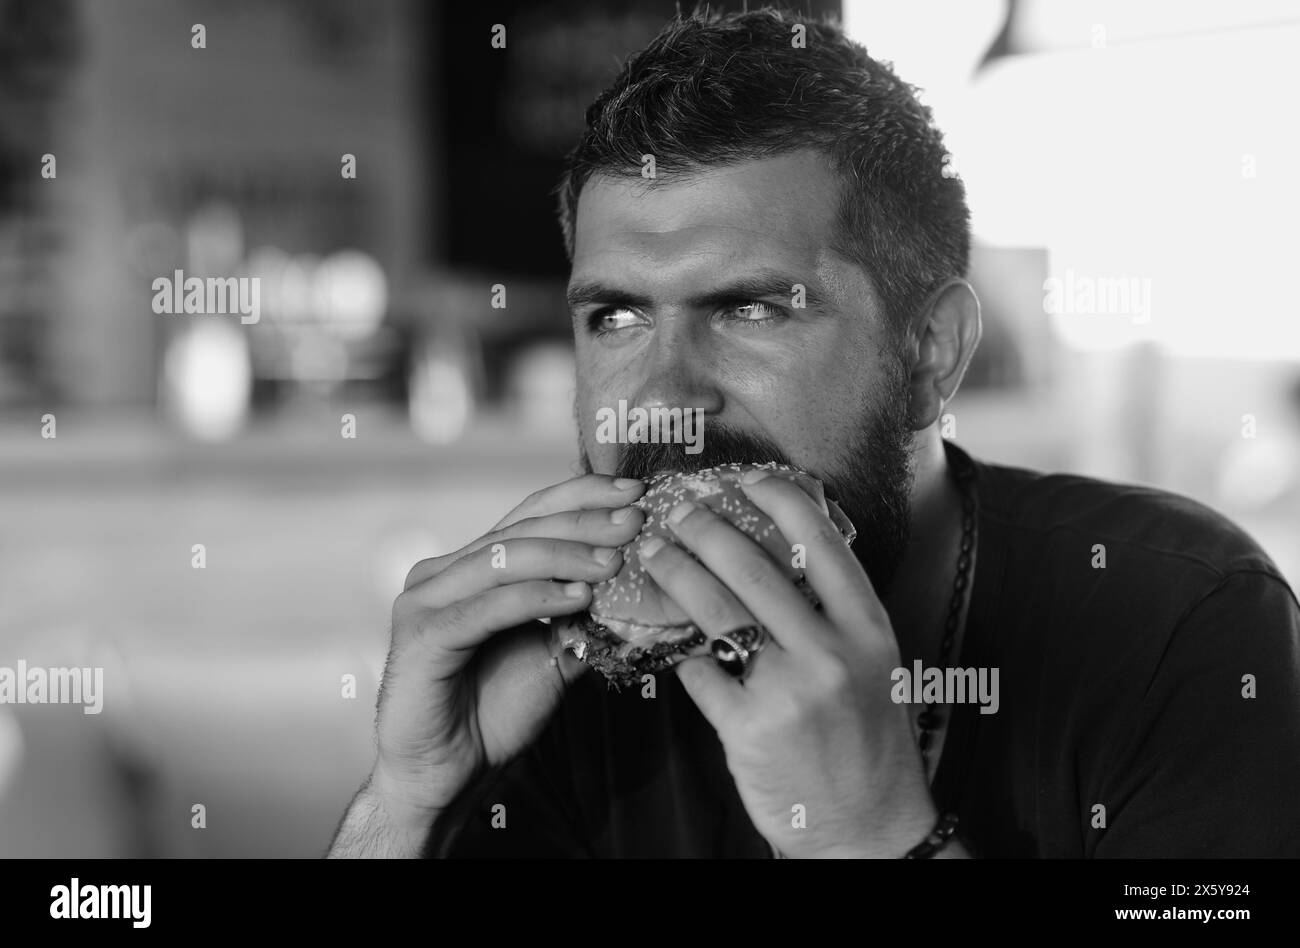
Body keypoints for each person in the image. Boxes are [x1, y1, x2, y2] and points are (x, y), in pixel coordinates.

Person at [327, 7, 1300, 859]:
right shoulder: (557, 686)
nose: (661, 398)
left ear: (929, 355)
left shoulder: (1179, 620)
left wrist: (868, 836)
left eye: (752, 310)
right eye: (616, 318)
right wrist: (408, 801)